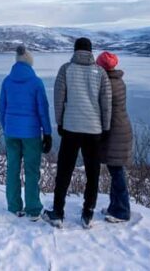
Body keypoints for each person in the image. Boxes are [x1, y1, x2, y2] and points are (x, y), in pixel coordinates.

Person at [42, 37, 112, 229]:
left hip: (71, 128)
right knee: (93, 173)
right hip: (93, 129)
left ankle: (58, 212)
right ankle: (87, 214)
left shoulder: (66, 69)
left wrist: (60, 122)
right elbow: (106, 103)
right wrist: (106, 127)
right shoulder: (100, 72)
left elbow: (58, 98)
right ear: (91, 51)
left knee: (64, 171)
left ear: (75, 50)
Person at [0, 45, 53, 221]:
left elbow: (2, 109)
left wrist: (7, 128)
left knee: (12, 169)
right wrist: (47, 133)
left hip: (11, 132)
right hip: (31, 134)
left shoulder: (7, 81)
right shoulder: (36, 82)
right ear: (30, 62)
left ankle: (14, 206)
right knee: (31, 171)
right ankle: (33, 209)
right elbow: (43, 110)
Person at [96, 51, 133, 223]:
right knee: (115, 170)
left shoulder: (107, 84)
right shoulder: (119, 81)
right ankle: (114, 207)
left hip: (115, 132)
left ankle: (122, 211)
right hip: (122, 129)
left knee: (117, 172)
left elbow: (103, 109)